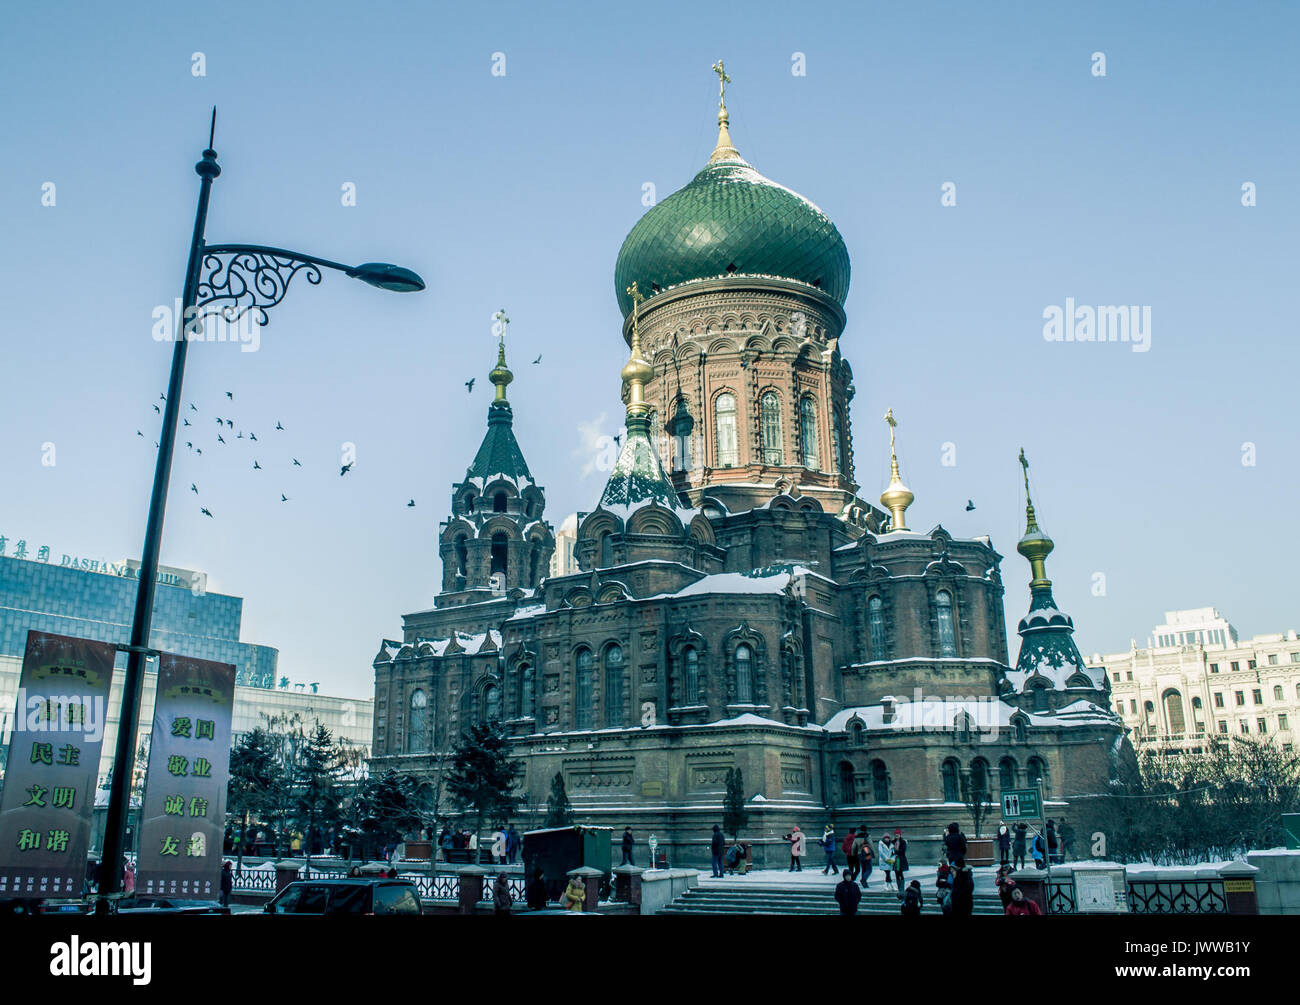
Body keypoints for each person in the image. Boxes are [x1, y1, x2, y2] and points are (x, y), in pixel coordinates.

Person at [893, 829, 909, 896]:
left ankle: (902, 887)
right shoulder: (893, 842)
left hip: (901, 859)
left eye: (898, 835)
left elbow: (903, 850)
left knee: (900, 873)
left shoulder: (903, 842)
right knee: (896, 873)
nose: (897, 836)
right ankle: (899, 886)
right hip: (895, 859)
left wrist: (896, 851)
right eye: (896, 835)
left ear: (900, 835)